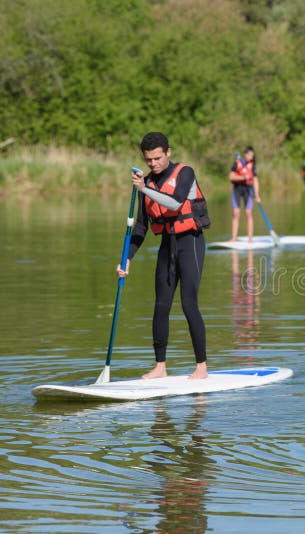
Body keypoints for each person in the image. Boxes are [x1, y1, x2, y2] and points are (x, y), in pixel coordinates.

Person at [117, 132, 209, 380]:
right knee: (160, 306)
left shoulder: (185, 172)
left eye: (157, 158)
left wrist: (144, 189)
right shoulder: (146, 183)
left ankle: (201, 367)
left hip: (190, 243)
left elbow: (176, 204)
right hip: (167, 246)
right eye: (148, 160)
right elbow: (140, 227)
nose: (153, 164)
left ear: (168, 152)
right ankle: (160, 366)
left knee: (189, 304)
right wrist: (127, 258)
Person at [228, 147, 260, 242]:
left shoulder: (252, 165)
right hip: (237, 189)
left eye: (252, 155)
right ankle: (234, 238)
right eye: (250, 155)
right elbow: (231, 177)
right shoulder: (237, 163)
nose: (251, 157)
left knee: (248, 213)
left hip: (248, 190)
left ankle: (250, 238)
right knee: (236, 213)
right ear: (245, 154)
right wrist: (242, 177)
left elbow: (255, 180)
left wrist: (257, 195)